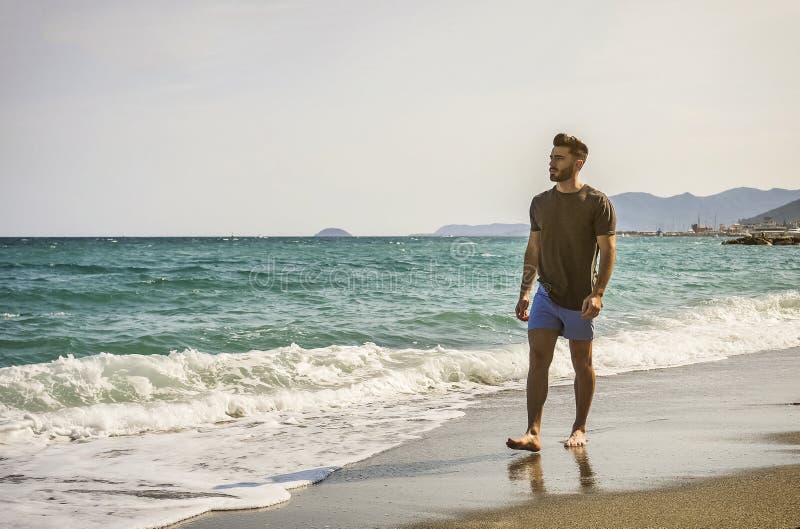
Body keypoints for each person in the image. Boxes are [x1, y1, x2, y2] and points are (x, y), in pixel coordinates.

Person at [507, 132, 616, 451]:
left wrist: (598, 293)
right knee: (538, 358)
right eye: (551, 157)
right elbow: (533, 249)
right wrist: (526, 290)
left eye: (559, 158)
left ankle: (579, 428)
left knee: (582, 363)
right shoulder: (540, 203)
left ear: (577, 163)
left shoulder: (597, 202)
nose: (551, 163)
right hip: (547, 295)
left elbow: (608, 251)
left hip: (580, 298)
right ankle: (533, 433)